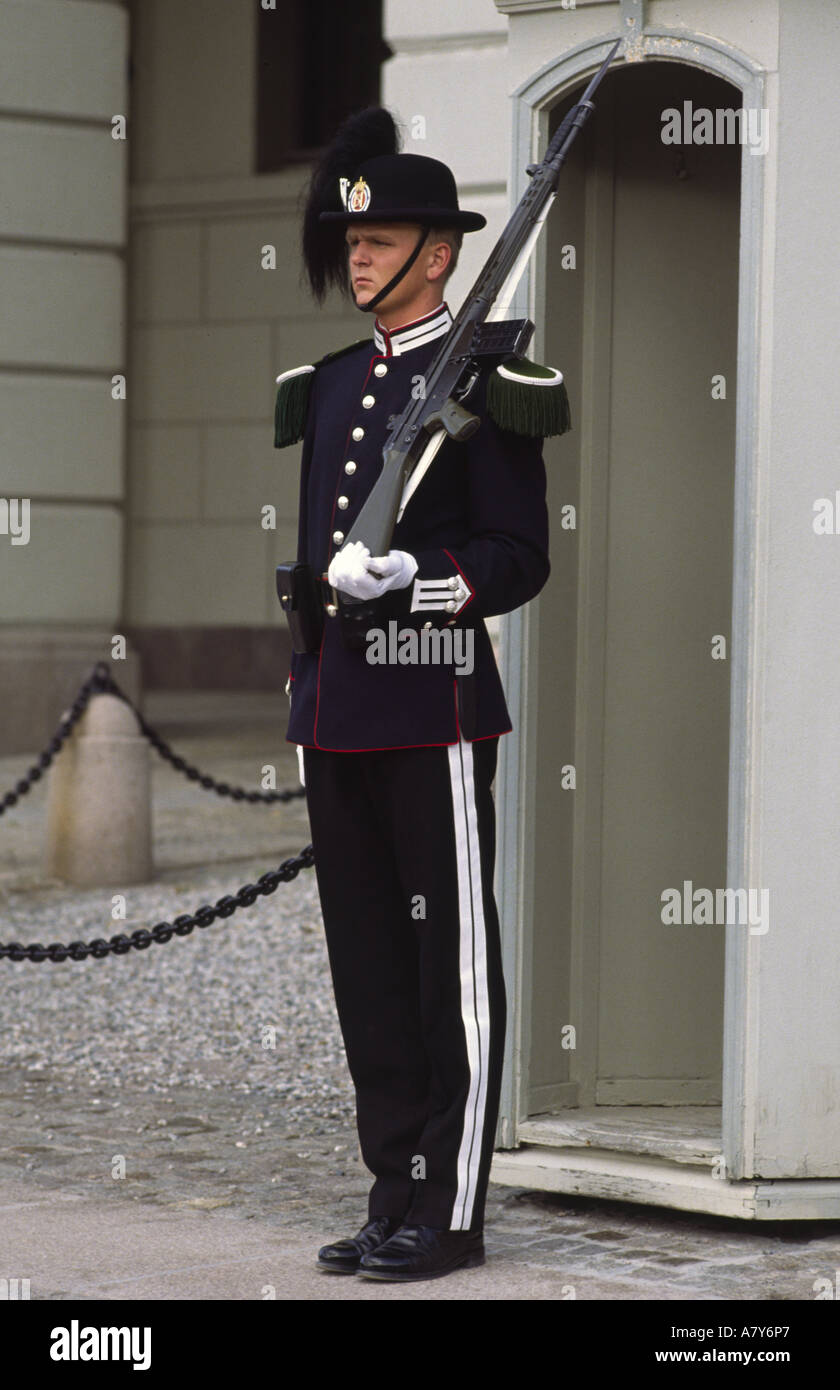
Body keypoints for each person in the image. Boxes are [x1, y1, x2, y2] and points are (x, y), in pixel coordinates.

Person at [273, 107, 569, 1282]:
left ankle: (449, 1209)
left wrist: (418, 578)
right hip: (337, 711)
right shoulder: (336, 382)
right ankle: (393, 1185)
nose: (358, 255)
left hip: (432, 707)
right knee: (369, 968)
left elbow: (519, 557)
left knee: (450, 961)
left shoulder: (495, 381)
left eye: (383, 238)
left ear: (439, 254)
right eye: (351, 238)